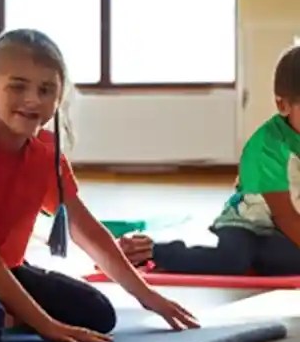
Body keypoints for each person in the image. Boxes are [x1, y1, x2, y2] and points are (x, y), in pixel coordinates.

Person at [0, 28, 199, 342]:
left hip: (6, 270)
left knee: (98, 314)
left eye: (46, 90)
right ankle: (2, 312)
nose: (32, 100)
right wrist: (46, 325)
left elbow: (86, 230)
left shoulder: (46, 153)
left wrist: (148, 296)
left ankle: (9, 310)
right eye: (18, 86)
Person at [119, 45, 300, 276]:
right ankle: (154, 251)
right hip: (245, 224)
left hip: (278, 230)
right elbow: (286, 216)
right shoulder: (267, 148)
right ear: (283, 105)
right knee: (232, 260)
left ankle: (260, 257)